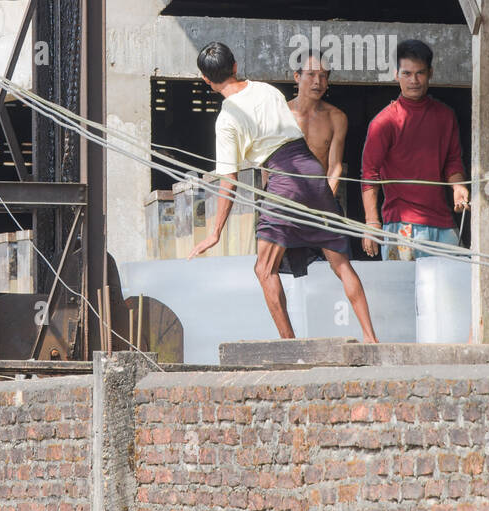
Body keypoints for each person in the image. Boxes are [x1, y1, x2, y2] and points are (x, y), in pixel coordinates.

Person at [188, 42, 378, 343]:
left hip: (283, 178)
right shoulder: (267, 90)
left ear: (205, 80)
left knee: (264, 268)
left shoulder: (226, 120)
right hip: (312, 171)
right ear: (236, 67)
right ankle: (371, 338)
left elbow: (229, 181)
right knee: (341, 264)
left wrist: (215, 233)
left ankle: (288, 343)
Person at [361, 39, 469, 260]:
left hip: (442, 222)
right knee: (402, 292)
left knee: (455, 288)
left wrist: (458, 186)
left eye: (420, 73)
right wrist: (371, 223)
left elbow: (452, 161)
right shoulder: (384, 121)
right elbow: (369, 174)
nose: (414, 80)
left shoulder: (445, 115)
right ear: (396, 74)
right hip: (402, 225)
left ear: (430, 73)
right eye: (407, 73)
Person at [286, 51, 348, 197]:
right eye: (311, 74)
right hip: (284, 197)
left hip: (320, 195)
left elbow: (335, 167)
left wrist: (325, 205)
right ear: (297, 77)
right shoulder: (281, 113)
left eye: (323, 76)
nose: (317, 82)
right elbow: (268, 164)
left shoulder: (336, 118)